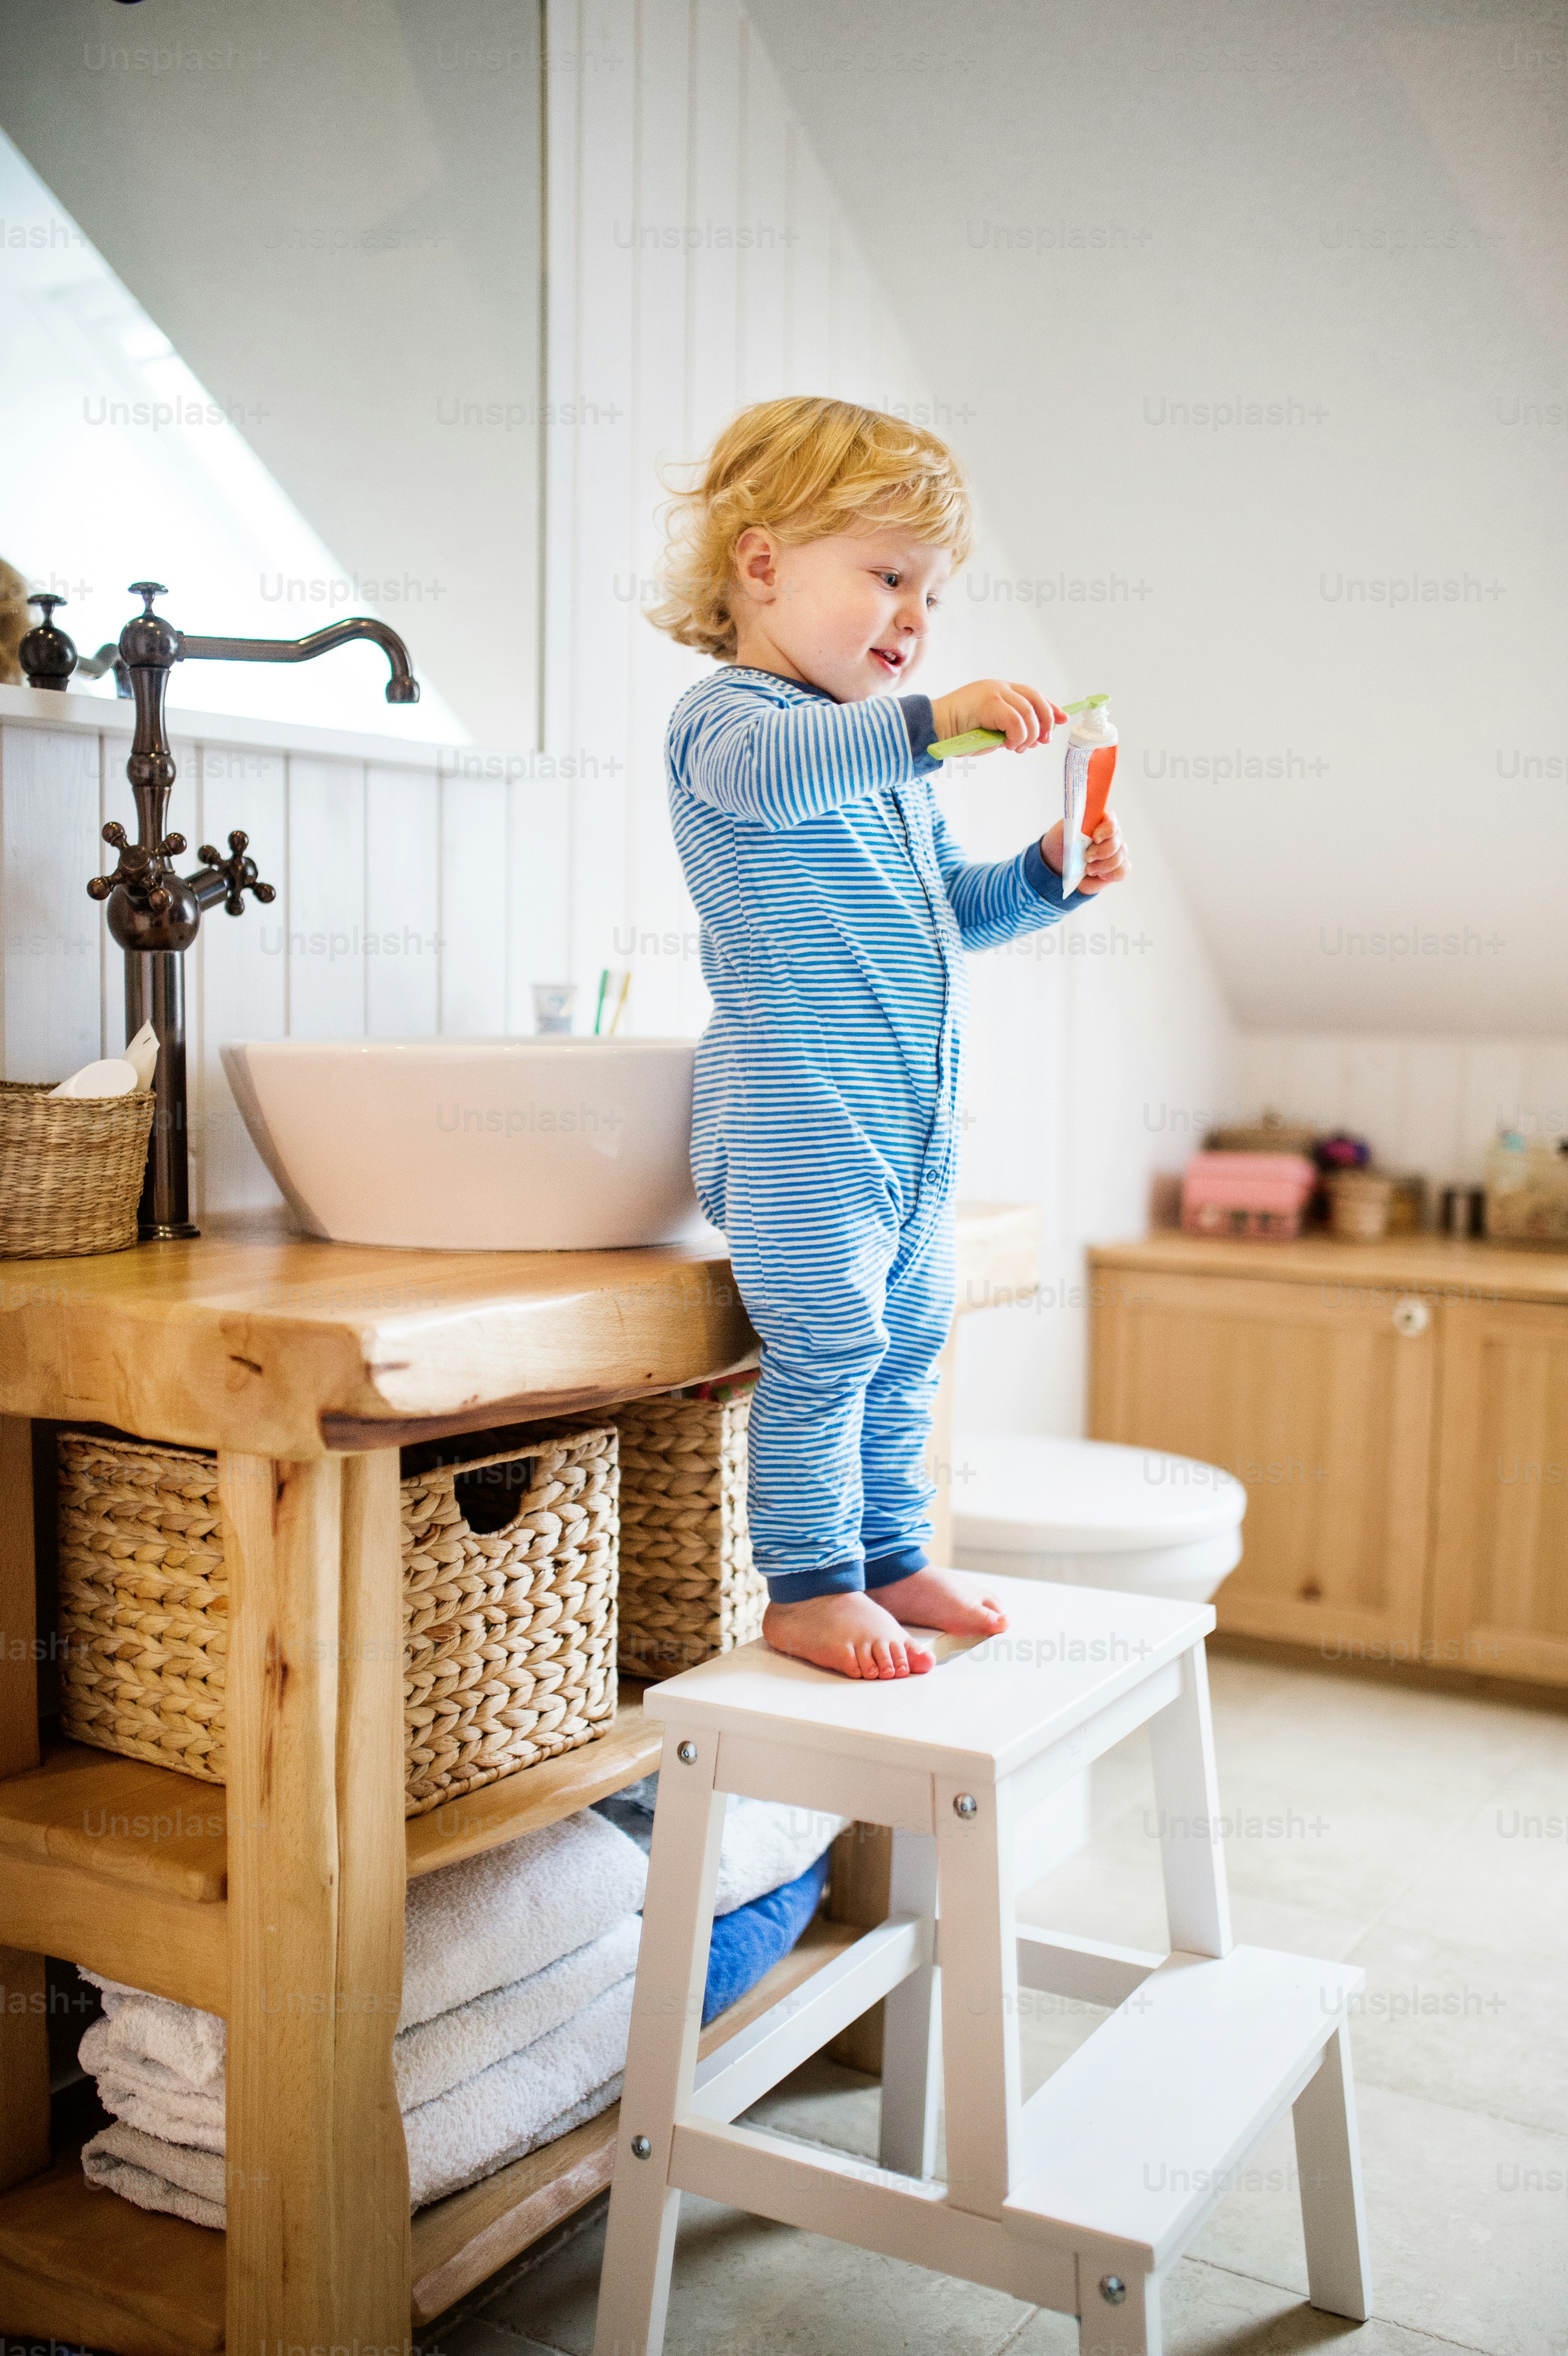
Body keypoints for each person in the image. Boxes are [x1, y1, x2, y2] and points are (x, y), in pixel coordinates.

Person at [649, 397, 1128, 1680]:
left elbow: (945, 912)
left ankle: (889, 1551)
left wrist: (1045, 874)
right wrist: (928, 725)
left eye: (930, 593)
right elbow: (782, 776)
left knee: (910, 1348)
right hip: (799, 1125)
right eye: (887, 576)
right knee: (829, 1351)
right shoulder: (730, 725)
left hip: (907, 1137)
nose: (914, 619)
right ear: (762, 565)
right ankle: (808, 1587)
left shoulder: (886, 774)